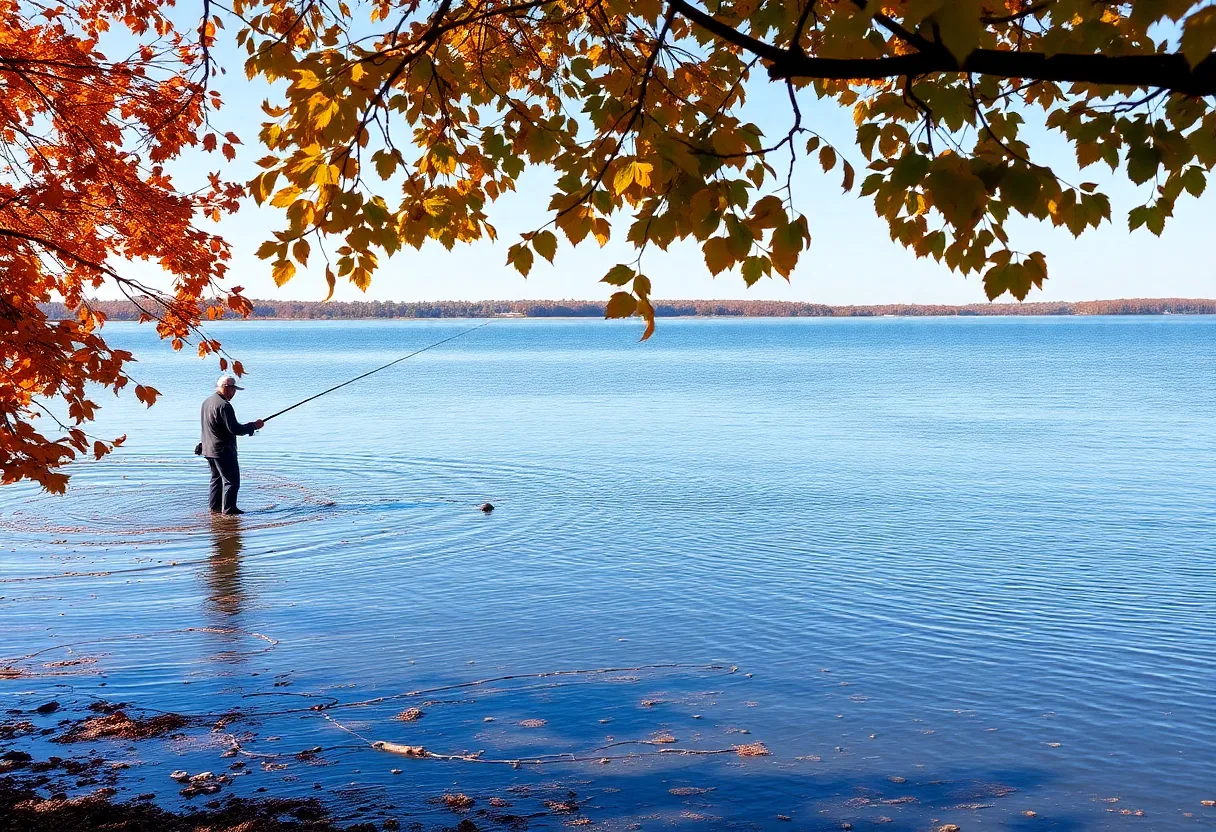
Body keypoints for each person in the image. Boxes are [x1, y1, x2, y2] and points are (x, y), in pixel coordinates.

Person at [200, 374, 264, 515]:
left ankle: (214, 509)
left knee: (216, 480)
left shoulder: (207, 402)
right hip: (223, 450)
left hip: (208, 449)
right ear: (226, 388)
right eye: (233, 389)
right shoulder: (224, 406)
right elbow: (235, 429)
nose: (234, 393)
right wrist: (253, 426)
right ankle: (230, 511)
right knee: (232, 482)